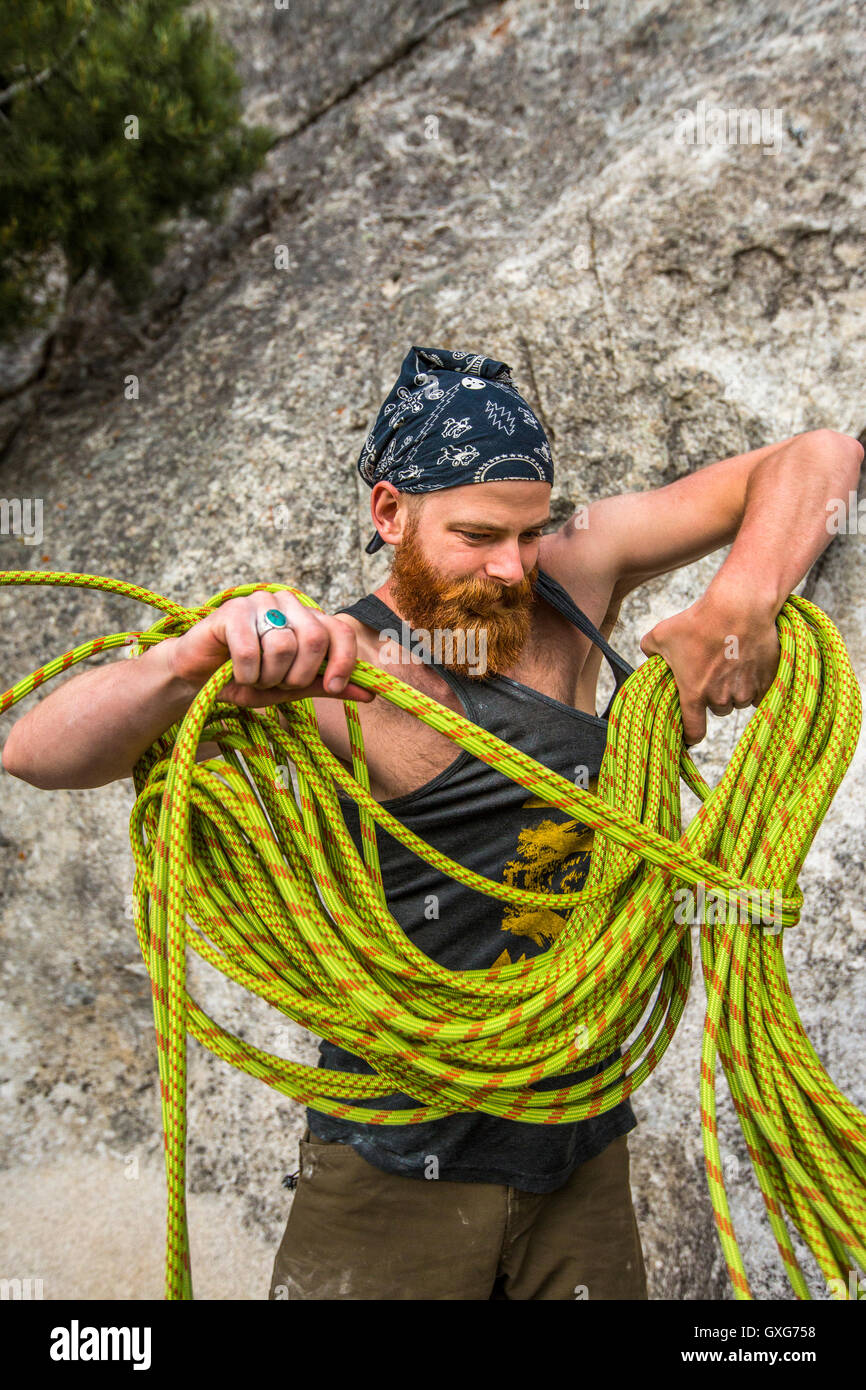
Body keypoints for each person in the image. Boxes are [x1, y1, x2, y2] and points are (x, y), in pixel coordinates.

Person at [2, 345, 861, 1302]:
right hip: (395, 1164)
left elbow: (821, 457)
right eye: (478, 534)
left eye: (529, 532)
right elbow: (37, 752)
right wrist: (186, 664)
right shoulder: (339, 667)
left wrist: (742, 602)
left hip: (577, 1143)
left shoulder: (573, 576)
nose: (509, 568)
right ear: (388, 511)